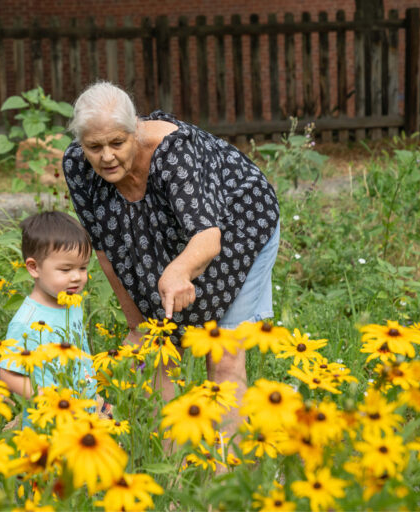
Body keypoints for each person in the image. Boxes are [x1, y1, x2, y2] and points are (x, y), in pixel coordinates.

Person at [62, 81, 280, 437]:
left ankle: (228, 475)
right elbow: (105, 248)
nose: (106, 157)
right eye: (94, 146)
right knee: (160, 345)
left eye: (117, 143)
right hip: (169, 230)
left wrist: (178, 271)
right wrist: (137, 324)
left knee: (223, 352)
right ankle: (170, 477)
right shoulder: (77, 166)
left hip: (238, 225)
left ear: (136, 130)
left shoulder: (173, 151)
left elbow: (207, 238)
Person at [0, 212, 99, 409]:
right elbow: (8, 374)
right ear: (34, 267)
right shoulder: (26, 321)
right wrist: (46, 397)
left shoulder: (73, 303)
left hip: (84, 408)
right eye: (65, 269)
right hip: (51, 419)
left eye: (82, 268)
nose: (77, 277)